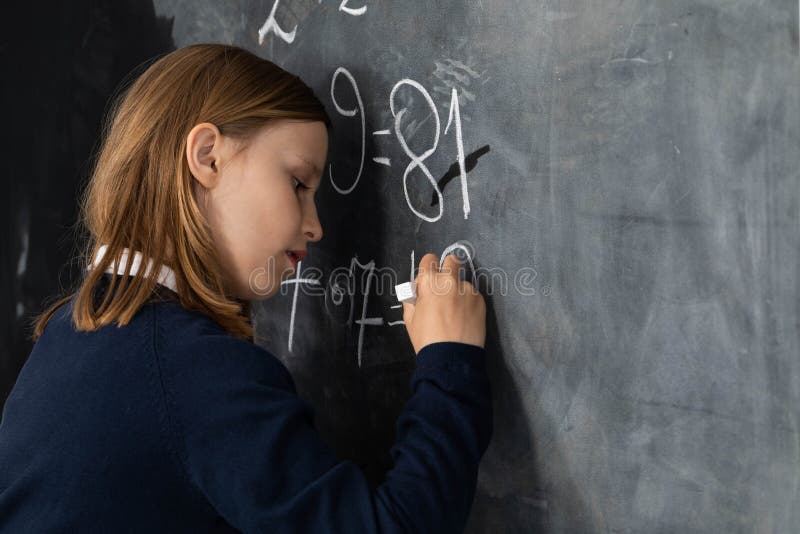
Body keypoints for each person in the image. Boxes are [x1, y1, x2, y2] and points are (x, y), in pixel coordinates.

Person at [0, 43, 492, 533]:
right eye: (299, 183)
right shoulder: (192, 370)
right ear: (208, 156)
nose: (316, 227)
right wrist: (450, 361)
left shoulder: (69, 337)